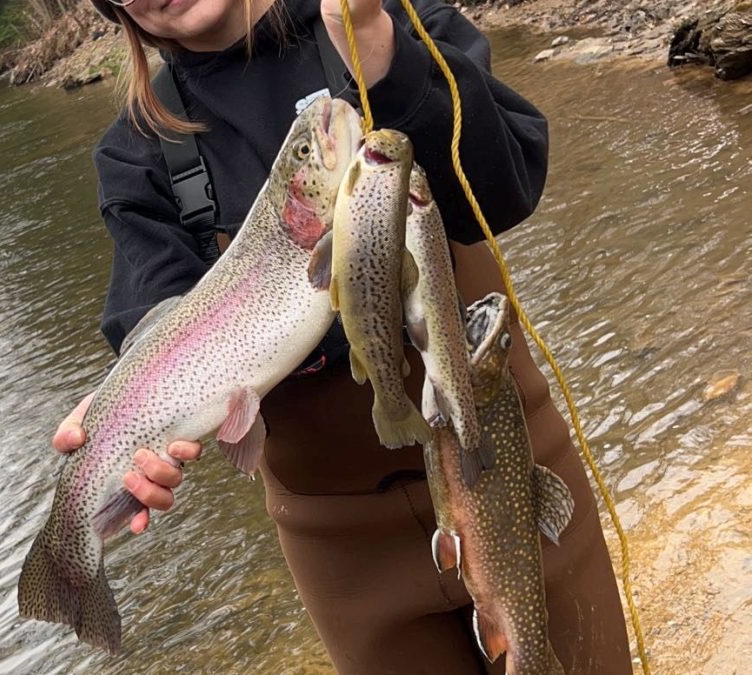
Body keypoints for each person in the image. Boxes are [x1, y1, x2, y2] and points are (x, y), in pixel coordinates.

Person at [54, 0, 633, 672]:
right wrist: (125, 413)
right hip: (340, 545)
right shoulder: (137, 155)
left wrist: (382, 51)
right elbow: (150, 315)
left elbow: (506, 187)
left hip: (501, 465)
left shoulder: (376, 16)